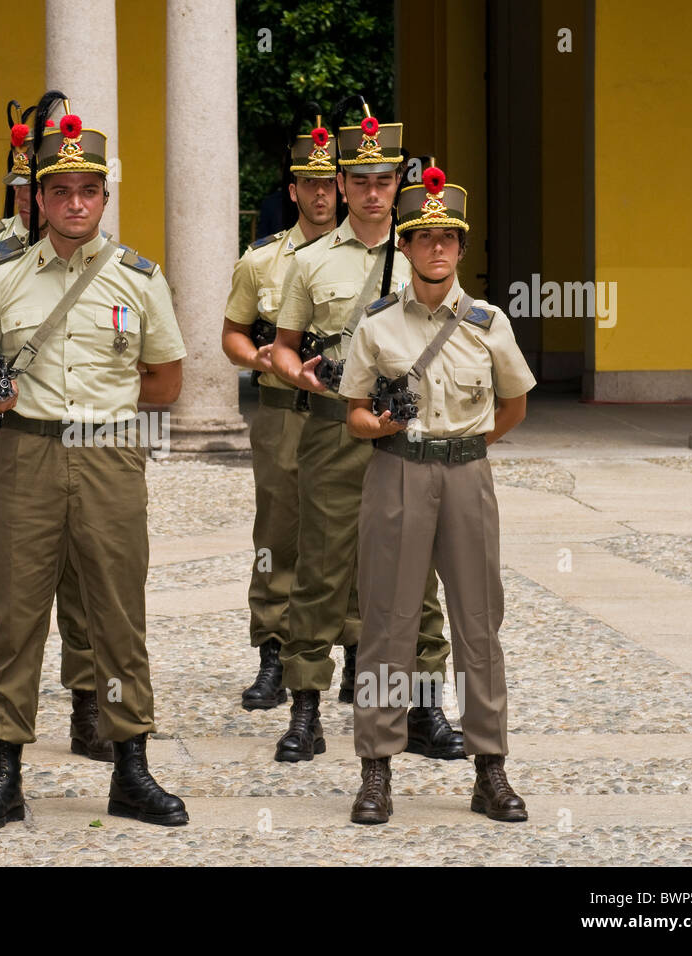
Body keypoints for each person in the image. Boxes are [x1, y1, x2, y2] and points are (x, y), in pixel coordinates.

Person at [0, 100, 188, 831]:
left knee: (119, 612)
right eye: (61, 191)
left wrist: (106, 421)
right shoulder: (3, 278)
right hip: (25, 452)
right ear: (40, 198)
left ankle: (131, 770)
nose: (76, 202)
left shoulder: (139, 278)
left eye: (89, 190)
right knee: (15, 614)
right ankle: (5, 774)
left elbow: (165, 380)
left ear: (104, 197)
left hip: (108, 453)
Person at [339, 165, 535, 824]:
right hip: (397, 471)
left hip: (467, 475)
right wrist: (385, 423)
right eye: (425, 237)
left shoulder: (487, 322)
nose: (438, 248)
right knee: (388, 627)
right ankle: (376, 769)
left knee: (479, 624)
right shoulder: (377, 326)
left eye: (449, 236)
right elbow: (356, 416)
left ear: (460, 245)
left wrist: (471, 443)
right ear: (407, 243)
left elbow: (513, 405)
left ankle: (491, 769)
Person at [270, 106, 463, 763]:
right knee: (320, 572)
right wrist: (310, 378)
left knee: (420, 574)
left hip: (409, 433)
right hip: (332, 431)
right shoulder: (310, 262)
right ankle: (304, 712)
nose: (374, 190)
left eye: (386, 179)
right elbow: (283, 351)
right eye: (362, 179)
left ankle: (426, 709)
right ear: (343, 183)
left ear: (400, 181)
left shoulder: (425, 251)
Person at [0, 99, 107, 766]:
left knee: (87, 569)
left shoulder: (104, 260)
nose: (29, 200)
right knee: (8, 567)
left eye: (33, 189)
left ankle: (91, 704)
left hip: (83, 430)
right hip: (11, 423)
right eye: (22, 188)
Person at [220, 118, 336, 711]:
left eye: (328, 182)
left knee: (357, 529)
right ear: (292, 190)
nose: (320, 193)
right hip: (281, 410)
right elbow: (232, 337)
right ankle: (274, 651)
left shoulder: (381, 259)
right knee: (279, 533)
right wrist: (258, 355)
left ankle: (358, 651)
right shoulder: (260, 261)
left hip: (346, 414)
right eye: (308, 183)